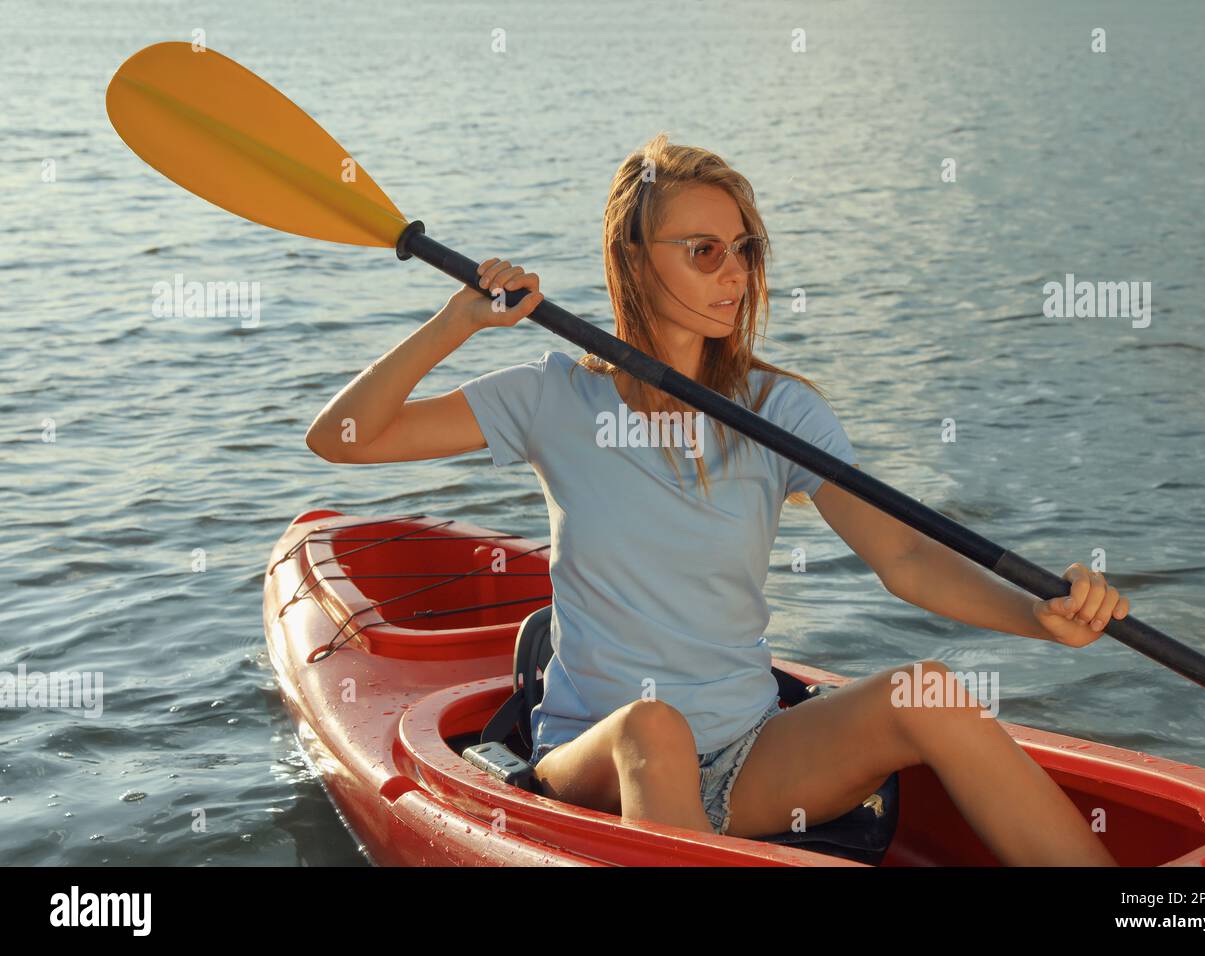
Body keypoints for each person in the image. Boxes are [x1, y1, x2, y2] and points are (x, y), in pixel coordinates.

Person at [305, 133, 1128, 866]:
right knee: (652, 727)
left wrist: (1036, 617)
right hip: (596, 759)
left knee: (934, 693)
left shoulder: (778, 412)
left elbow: (906, 556)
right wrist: (458, 323)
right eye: (704, 251)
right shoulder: (552, 398)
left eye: (745, 249)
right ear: (633, 257)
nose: (734, 273)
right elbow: (343, 437)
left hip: (751, 753)